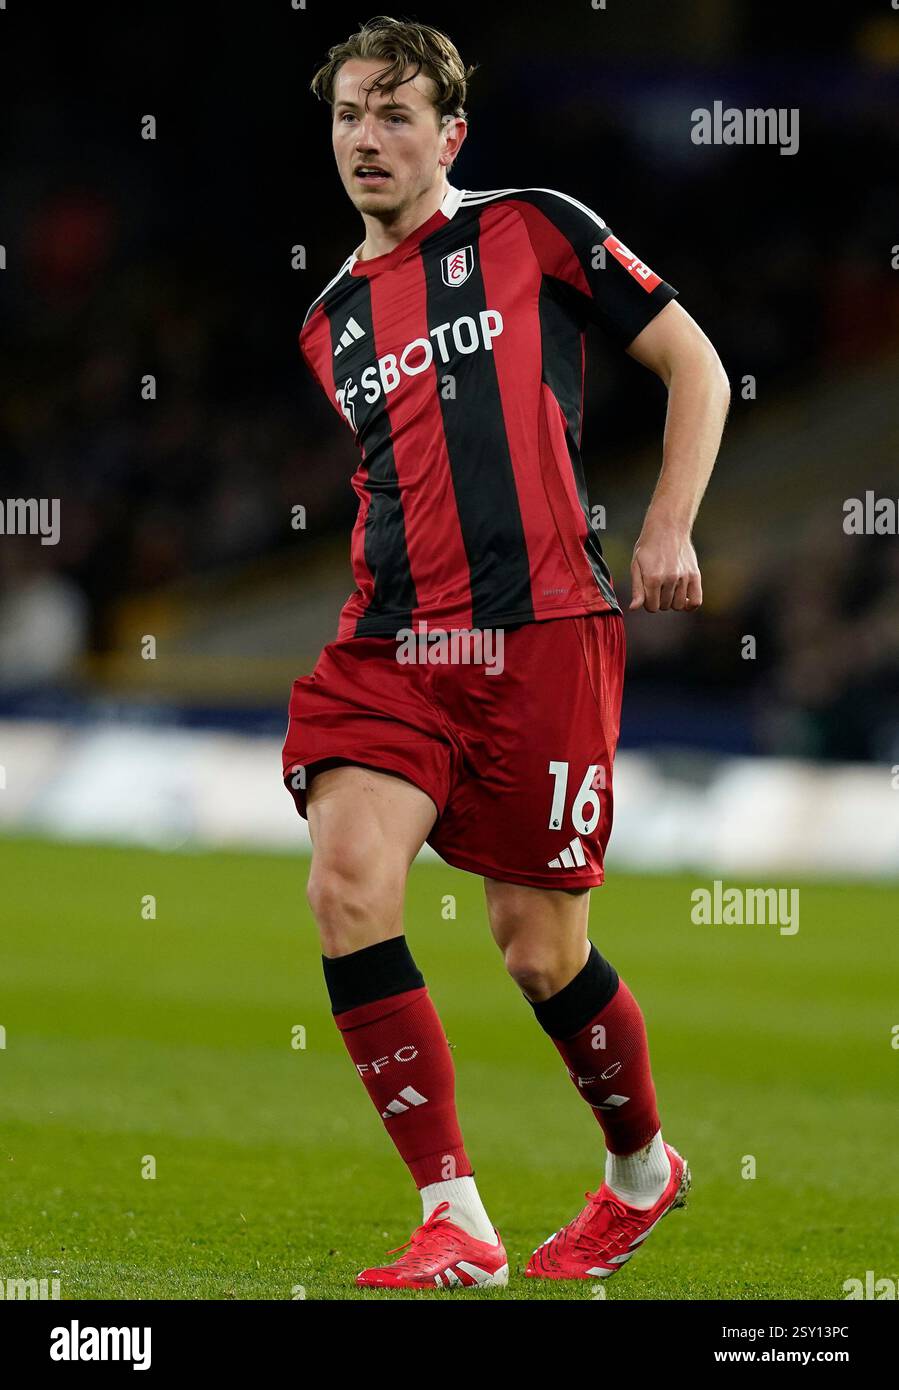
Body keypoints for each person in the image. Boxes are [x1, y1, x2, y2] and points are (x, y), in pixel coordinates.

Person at [282, 14, 730, 1290]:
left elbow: (693, 365)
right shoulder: (328, 323)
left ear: (449, 134)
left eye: (396, 114)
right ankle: (453, 1214)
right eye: (348, 115)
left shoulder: (530, 227)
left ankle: (641, 1171)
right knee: (345, 881)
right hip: (393, 645)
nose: (367, 139)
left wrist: (667, 526)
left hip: (542, 639)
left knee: (538, 947)